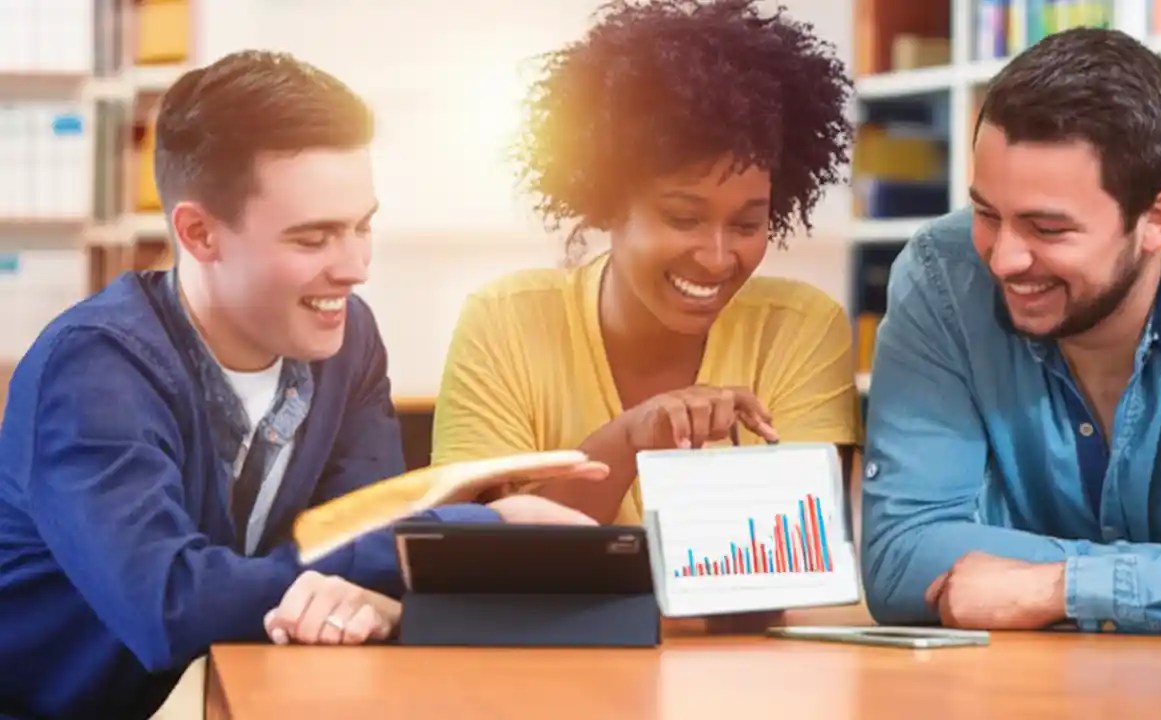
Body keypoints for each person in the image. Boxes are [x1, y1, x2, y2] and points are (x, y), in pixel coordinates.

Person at [0, 50, 600, 719]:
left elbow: (356, 544)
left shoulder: (345, 338)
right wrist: (470, 530)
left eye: (362, 226)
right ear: (199, 233)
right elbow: (171, 605)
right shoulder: (95, 369)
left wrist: (368, 597)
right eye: (314, 239)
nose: (355, 267)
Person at [861, 27, 1161, 635]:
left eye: (1047, 229)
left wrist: (1063, 589)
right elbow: (901, 558)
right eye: (986, 213)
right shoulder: (941, 279)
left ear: (1158, 218)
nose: (1003, 259)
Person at [431, 0, 861, 534]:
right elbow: (480, 562)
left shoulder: (798, 329)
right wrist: (629, 438)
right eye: (684, 218)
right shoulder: (504, 324)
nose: (717, 256)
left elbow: (795, 559)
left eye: (748, 225)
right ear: (608, 201)